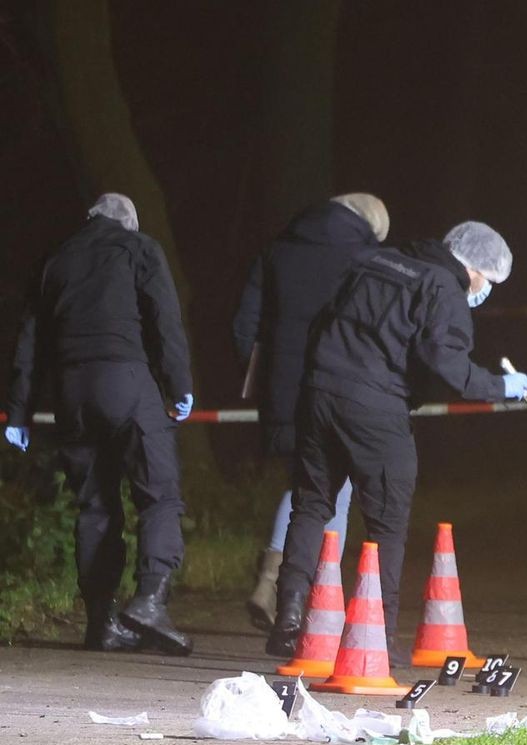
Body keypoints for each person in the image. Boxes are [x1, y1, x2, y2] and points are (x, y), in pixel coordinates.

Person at [265, 221, 527, 664]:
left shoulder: (376, 260)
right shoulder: (442, 288)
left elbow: (322, 322)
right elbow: (449, 366)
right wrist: (503, 388)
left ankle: (290, 615)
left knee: (313, 505)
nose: (485, 290)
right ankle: (378, 637)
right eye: (489, 281)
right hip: (377, 410)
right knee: (387, 524)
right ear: (474, 269)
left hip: (319, 394)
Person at [3, 193, 195, 654]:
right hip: (125, 378)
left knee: (94, 506)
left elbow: (29, 339)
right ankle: (151, 598)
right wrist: (179, 384)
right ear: (128, 223)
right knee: (160, 494)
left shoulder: (56, 259)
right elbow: (164, 319)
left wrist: (19, 412)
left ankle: (102, 622)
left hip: (72, 392)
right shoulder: (140, 248)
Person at [231, 193, 389, 631]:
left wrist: (267, 378)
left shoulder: (277, 250)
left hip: (283, 391)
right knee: (332, 489)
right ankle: (315, 599)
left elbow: (245, 325)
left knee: (306, 484)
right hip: (343, 388)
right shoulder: (367, 258)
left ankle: (271, 583)